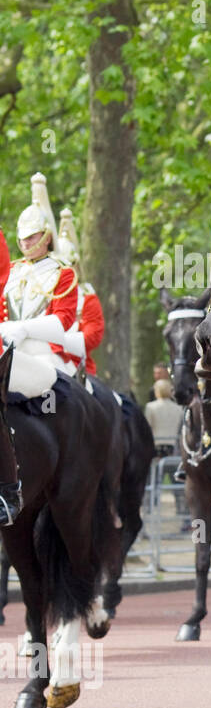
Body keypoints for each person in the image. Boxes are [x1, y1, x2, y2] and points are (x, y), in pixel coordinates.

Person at [0, 174, 76, 521]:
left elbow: (62, 324)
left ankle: (7, 489)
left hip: (42, 356)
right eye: (22, 237)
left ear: (46, 237)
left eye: (32, 236)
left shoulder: (62, 273)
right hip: (8, 349)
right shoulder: (11, 272)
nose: (25, 242)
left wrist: (22, 328)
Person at [52, 208, 105, 375]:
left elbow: (92, 336)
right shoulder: (43, 292)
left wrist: (53, 340)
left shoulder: (87, 298)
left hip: (78, 366)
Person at [145, 378, 184, 455]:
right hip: (174, 444)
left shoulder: (150, 407)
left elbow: (147, 428)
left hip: (156, 444)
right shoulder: (179, 408)